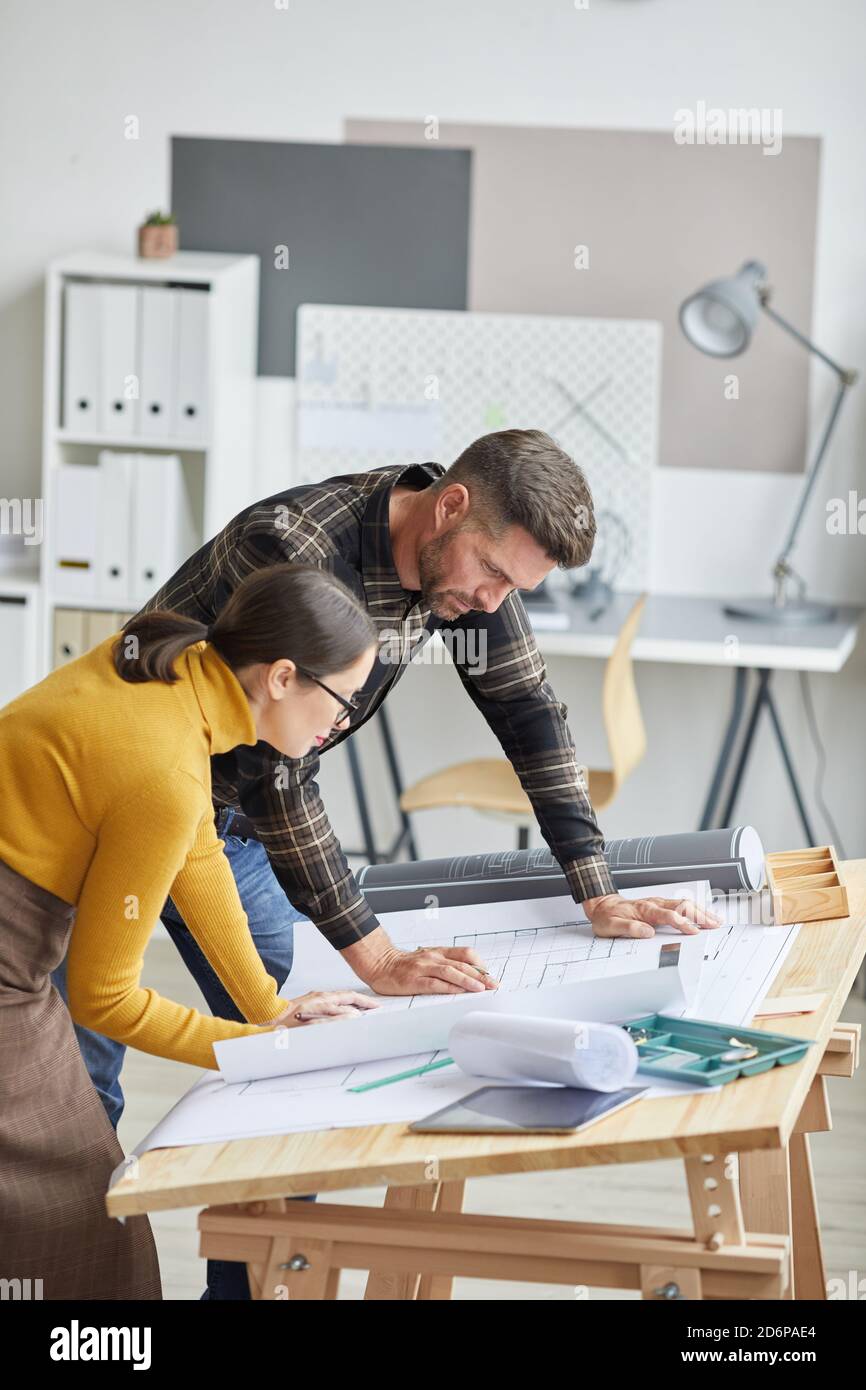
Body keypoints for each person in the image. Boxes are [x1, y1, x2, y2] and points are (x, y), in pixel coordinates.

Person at [1, 562, 437, 1299]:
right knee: (82, 1214)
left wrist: (266, 1007)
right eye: (341, 701)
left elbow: (198, 848)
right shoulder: (162, 766)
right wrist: (255, 1047)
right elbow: (105, 1001)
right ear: (280, 677)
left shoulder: (170, 672)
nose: (340, 725)